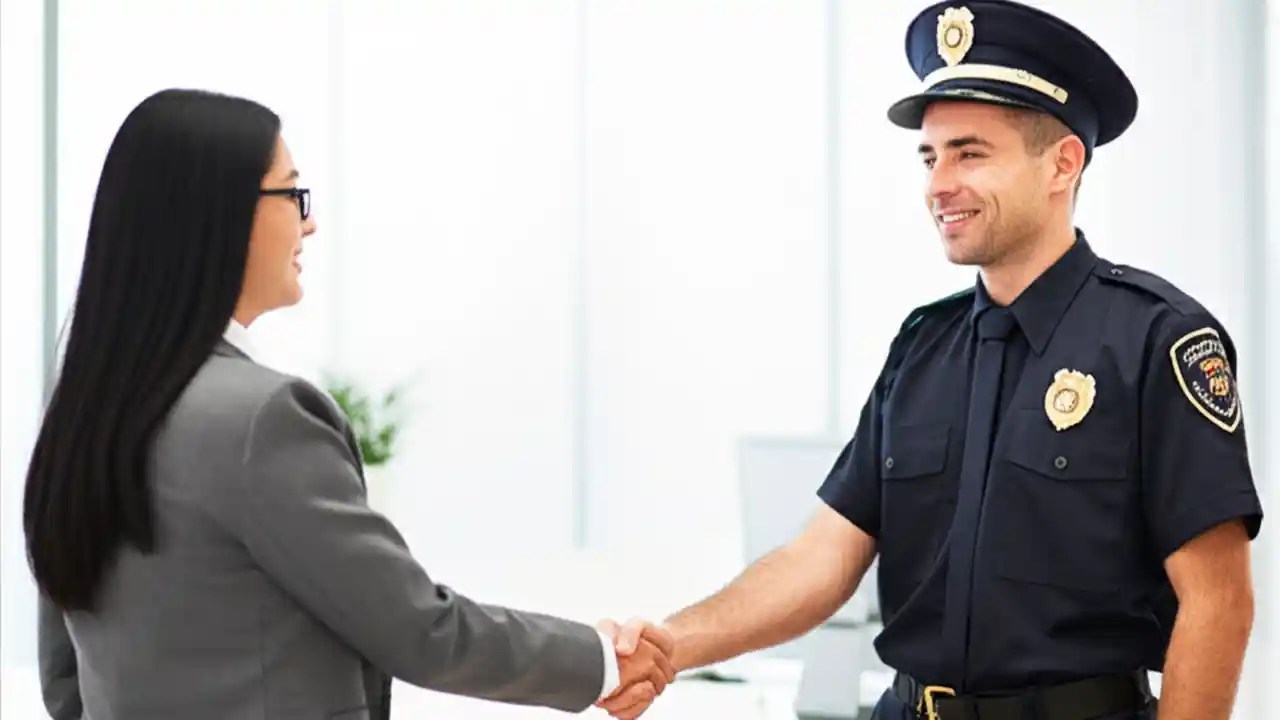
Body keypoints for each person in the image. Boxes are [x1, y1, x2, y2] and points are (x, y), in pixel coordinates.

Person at [601, 2, 1262, 719]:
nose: (938, 183)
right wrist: (671, 643)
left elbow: (1218, 600)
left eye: (970, 153)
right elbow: (820, 560)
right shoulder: (923, 348)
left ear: (1062, 164)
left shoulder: (1156, 341)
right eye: (930, 156)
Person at [24, 88, 674, 720]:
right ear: (220, 214)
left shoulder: (85, 416)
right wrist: (601, 660)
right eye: (292, 193)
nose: (309, 221)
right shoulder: (258, 420)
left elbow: (64, 680)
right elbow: (418, 628)